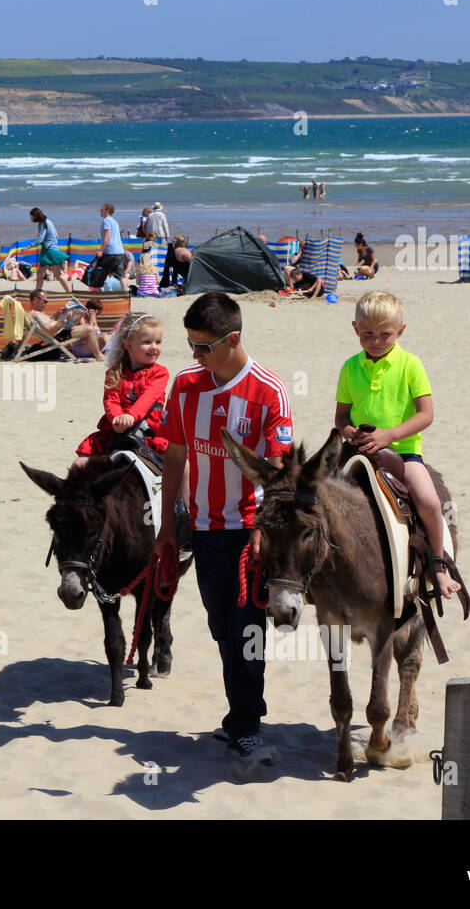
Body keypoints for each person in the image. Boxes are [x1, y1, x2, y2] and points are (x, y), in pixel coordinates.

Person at [153, 291, 293, 763]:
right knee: (220, 628)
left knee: (246, 629)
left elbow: (278, 469)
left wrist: (265, 530)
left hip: (250, 531)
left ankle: (248, 723)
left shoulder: (268, 389)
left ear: (232, 340)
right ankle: (240, 714)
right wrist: (168, 526)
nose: (194, 355)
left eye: (203, 346)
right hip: (204, 528)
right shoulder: (186, 384)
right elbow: (174, 455)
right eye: (190, 344)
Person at [334, 291, 460, 600]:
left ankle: (439, 567)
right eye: (367, 334)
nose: (376, 340)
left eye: (385, 335)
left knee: (429, 501)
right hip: (359, 452)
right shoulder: (350, 367)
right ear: (355, 329)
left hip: (403, 453)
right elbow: (340, 417)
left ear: (400, 331)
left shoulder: (410, 365)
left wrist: (389, 435)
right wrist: (348, 431)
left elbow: (426, 415)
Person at [72, 313, 168, 467]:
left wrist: (131, 416)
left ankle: (183, 492)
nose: (154, 347)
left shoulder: (160, 373)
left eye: (158, 342)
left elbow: (148, 398)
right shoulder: (114, 372)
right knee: (80, 463)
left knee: (179, 463)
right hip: (116, 428)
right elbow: (111, 399)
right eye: (147, 342)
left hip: (149, 428)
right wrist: (116, 418)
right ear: (128, 345)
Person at [27, 290, 105, 361]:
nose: (46, 304)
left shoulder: (38, 313)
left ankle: (97, 352)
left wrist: (57, 315)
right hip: (59, 336)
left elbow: (50, 324)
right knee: (89, 329)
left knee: (90, 329)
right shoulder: (35, 315)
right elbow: (51, 331)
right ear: (35, 300)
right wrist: (65, 319)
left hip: (62, 332)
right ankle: (98, 355)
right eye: (44, 301)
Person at [30, 207, 72, 292]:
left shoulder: (43, 223)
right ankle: (37, 293)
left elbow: (40, 239)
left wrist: (29, 247)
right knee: (41, 274)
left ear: (35, 216)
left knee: (56, 275)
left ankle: (70, 293)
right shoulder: (48, 222)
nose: (30, 218)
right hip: (50, 250)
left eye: (31, 216)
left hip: (48, 252)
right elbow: (56, 235)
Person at [92, 203, 127, 287]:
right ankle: (126, 294)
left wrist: (101, 250)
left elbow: (107, 236)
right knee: (121, 275)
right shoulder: (114, 221)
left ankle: (98, 293)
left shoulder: (106, 220)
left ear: (107, 210)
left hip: (109, 252)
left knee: (99, 274)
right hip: (119, 251)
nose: (100, 211)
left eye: (101, 210)